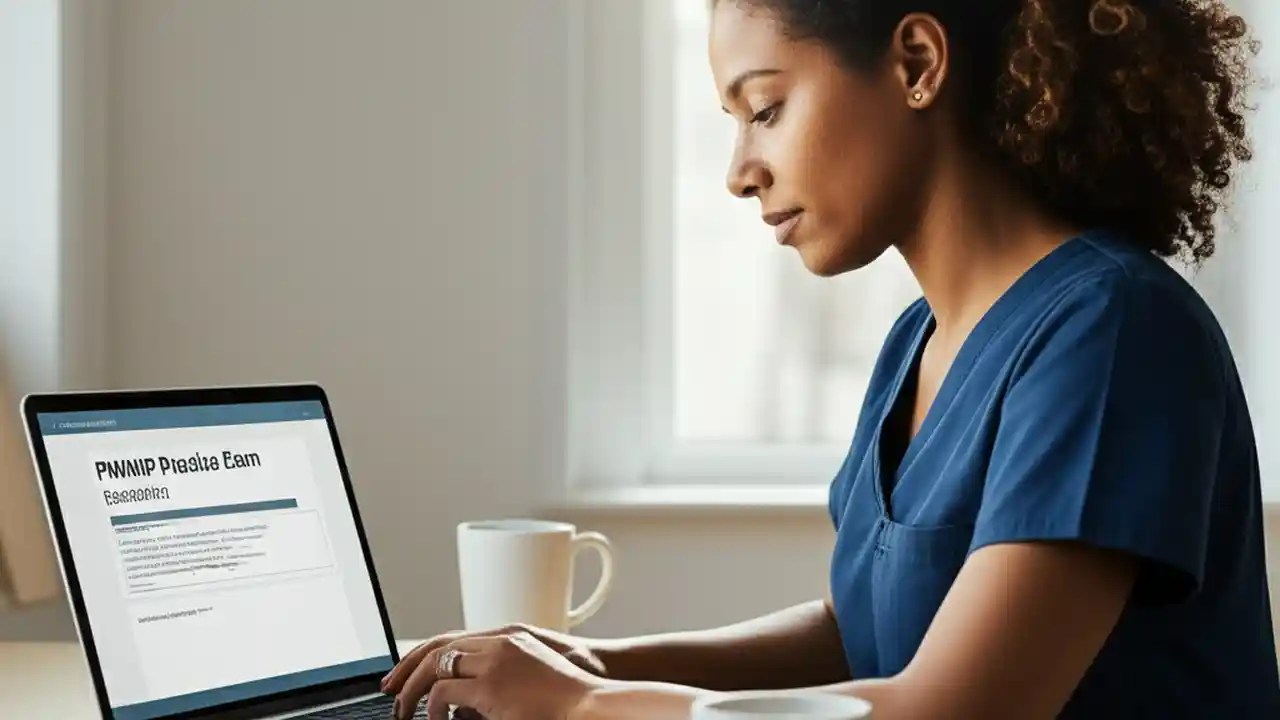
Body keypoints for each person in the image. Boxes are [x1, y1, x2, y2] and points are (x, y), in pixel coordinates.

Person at [383, 0, 1280, 717]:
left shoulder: (1111, 330)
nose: (740, 170)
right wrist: (592, 657)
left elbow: (958, 708)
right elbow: (864, 635)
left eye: (765, 110)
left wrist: (586, 706)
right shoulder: (916, 345)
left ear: (917, 64)